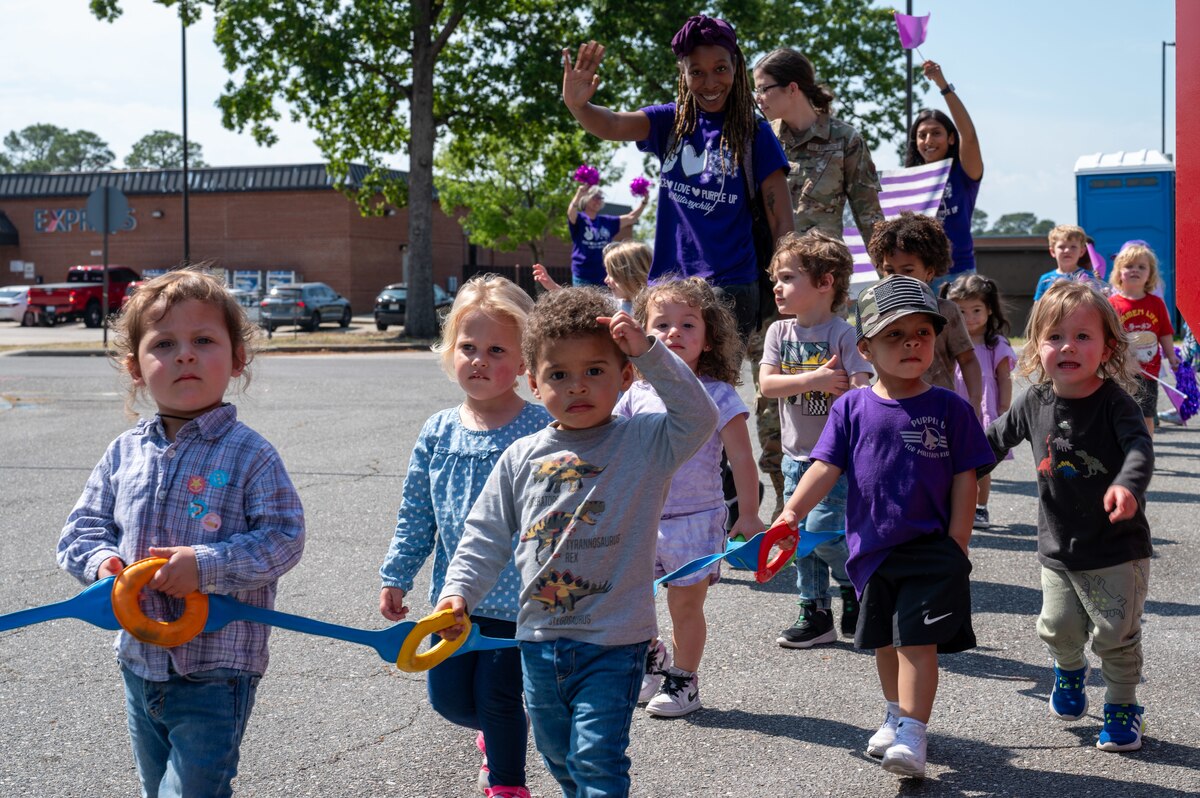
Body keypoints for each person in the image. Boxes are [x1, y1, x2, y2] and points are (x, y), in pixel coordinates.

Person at [434, 288, 717, 796]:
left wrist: (648, 351)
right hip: (539, 639)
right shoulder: (522, 456)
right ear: (534, 382)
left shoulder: (646, 441)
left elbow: (699, 416)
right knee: (561, 758)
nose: (577, 386)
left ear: (625, 376)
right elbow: (484, 535)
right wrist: (458, 594)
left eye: (595, 370)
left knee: (596, 759)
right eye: (558, 375)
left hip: (615, 640)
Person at [56, 267, 305, 798]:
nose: (184, 355)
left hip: (216, 671)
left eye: (203, 340)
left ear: (237, 359)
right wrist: (104, 565)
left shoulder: (251, 454)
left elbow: (283, 537)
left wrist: (205, 565)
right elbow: (81, 529)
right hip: (139, 663)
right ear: (136, 368)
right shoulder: (123, 452)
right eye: (164, 343)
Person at [774, 275, 993, 778]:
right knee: (885, 642)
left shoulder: (950, 408)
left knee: (916, 641)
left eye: (922, 332)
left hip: (932, 549)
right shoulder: (851, 406)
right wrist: (791, 512)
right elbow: (825, 465)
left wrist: (959, 540)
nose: (911, 342)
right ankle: (895, 716)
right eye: (895, 335)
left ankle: (914, 733)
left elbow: (966, 477)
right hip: (872, 550)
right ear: (866, 348)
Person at [377, 275, 550, 798]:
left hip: (518, 599)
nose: (478, 359)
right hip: (454, 597)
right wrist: (396, 574)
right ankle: (497, 735)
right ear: (449, 350)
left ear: (525, 361)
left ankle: (507, 783)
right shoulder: (438, 430)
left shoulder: (542, 429)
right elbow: (417, 512)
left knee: (497, 698)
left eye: (496, 349)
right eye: (467, 347)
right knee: (450, 699)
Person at [985, 280, 1153, 753]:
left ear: (1108, 348)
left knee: (1115, 635)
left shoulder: (1116, 404)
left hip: (1117, 548)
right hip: (1058, 548)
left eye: (1083, 336)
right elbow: (991, 444)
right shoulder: (1034, 402)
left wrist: (1126, 484)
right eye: (1055, 336)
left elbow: (1139, 448)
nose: (1068, 346)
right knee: (1057, 627)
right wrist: (946, 475)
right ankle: (1069, 670)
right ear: (1036, 345)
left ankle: (1122, 706)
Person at [561, 14, 793, 339]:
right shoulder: (670, 122)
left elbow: (781, 220)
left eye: (720, 69)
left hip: (730, 287)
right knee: (664, 387)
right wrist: (578, 106)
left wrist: (786, 279)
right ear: (682, 73)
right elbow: (611, 124)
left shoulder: (755, 131)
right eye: (697, 72)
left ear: (736, 67)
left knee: (710, 387)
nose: (710, 82)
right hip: (667, 288)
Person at [616, 276, 760, 718]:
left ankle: (684, 679)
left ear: (710, 338)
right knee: (632, 599)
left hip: (696, 518)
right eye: (660, 325)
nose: (673, 333)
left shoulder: (718, 394)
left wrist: (750, 515)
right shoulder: (633, 394)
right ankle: (651, 656)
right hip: (642, 517)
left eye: (687, 324)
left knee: (684, 603)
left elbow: (742, 459)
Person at [749, 46, 884, 514]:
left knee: (831, 398)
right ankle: (789, 510)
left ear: (792, 88)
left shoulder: (845, 140)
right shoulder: (760, 139)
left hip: (825, 296)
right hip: (773, 291)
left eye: (762, 88)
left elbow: (871, 217)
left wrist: (892, 286)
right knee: (774, 404)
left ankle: (838, 505)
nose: (756, 97)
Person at [759, 231, 871, 648]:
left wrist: (850, 388)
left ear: (825, 283)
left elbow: (863, 390)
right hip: (794, 457)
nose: (776, 286)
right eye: (776, 277)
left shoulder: (845, 334)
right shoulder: (779, 333)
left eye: (787, 277)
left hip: (835, 461)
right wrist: (818, 378)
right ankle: (814, 610)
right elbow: (768, 385)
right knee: (796, 536)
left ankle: (856, 587)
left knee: (824, 530)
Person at [867, 212, 983, 419]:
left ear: (929, 272)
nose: (897, 277)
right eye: (889, 270)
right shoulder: (875, 310)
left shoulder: (946, 311)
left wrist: (974, 402)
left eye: (908, 270)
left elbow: (968, 360)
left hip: (939, 412)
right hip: (890, 411)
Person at [942, 273, 1016, 529]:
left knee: (980, 465)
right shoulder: (947, 340)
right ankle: (954, 505)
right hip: (954, 410)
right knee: (951, 462)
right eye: (961, 311)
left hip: (984, 411)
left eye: (976, 310)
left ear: (989, 310)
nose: (969, 317)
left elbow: (1005, 379)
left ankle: (981, 507)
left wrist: (1004, 409)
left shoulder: (995, 344)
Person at [904, 61, 983, 293]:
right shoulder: (909, 180)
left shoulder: (964, 173)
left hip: (959, 273)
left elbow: (969, 137)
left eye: (936, 133)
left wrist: (943, 86)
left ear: (950, 138)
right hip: (918, 275)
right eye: (922, 135)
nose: (928, 141)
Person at [1107, 241, 1179, 438]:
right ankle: (1121, 452)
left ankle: (1146, 452)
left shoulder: (1156, 303)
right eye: (1129, 266)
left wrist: (1171, 356)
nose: (1135, 270)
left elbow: (1164, 331)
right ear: (1119, 272)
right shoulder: (1112, 304)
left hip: (1149, 373)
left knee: (1146, 415)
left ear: (1150, 274)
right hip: (1121, 371)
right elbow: (1106, 336)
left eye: (1141, 266)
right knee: (1120, 413)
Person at [533, 240, 652, 315]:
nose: (606, 280)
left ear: (629, 275)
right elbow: (579, 302)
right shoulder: (612, 304)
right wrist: (553, 286)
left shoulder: (654, 307)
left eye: (611, 274)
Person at [567, 183, 648, 287]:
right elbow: (571, 213)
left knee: (605, 303)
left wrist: (644, 201)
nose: (598, 200)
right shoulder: (579, 219)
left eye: (600, 198)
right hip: (582, 275)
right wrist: (579, 194)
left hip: (603, 275)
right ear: (585, 199)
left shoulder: (607, 221)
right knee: (581, 304)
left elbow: (631, 218)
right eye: (595, 197)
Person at [1033, 225, 1102, 301]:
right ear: (1052, 251)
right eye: (1061, 247)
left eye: (1073, 247)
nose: (1067, 250)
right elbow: (1038, 306)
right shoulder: (1045, 280)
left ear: (1082, 251)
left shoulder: (1089, 277)